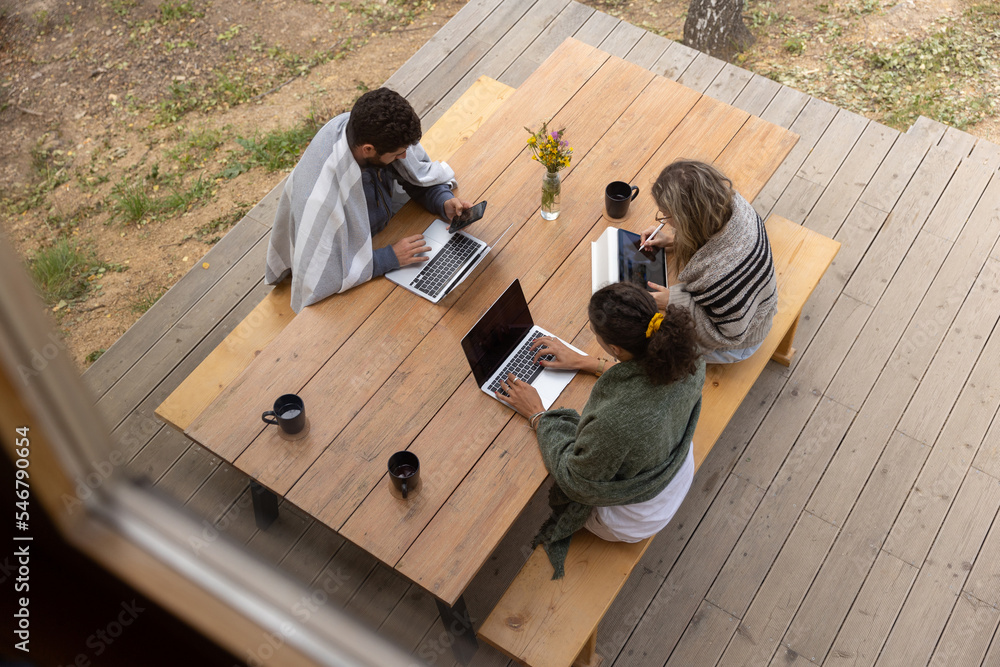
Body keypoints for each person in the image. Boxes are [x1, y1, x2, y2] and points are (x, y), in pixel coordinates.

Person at [497, 281, 705, 578]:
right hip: (676, 464)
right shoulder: (687, 356)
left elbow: (576, 480)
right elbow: (648, 376)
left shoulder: (617, 423)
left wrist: (537, 414)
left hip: (638, 515)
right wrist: (587, 362)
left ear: (616, 349)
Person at [264, 87, 472, 312]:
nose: (404, 157)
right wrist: (389, 258)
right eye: (397, 154)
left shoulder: (370, 133)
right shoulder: (322, 197)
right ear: (368, 150)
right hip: (349, 255)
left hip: (379, 234)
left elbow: (412, 174)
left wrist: (443, 200)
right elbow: (324, 276)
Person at [640, 160, 777, 364]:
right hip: (756, 304)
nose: (665, 221)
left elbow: (726, 334)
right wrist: (675, 241)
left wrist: (672, 302)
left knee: (647, 341)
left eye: (667, 215)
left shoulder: (718, 275)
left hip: (740, 343)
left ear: (688, 219)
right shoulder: (733, 204)